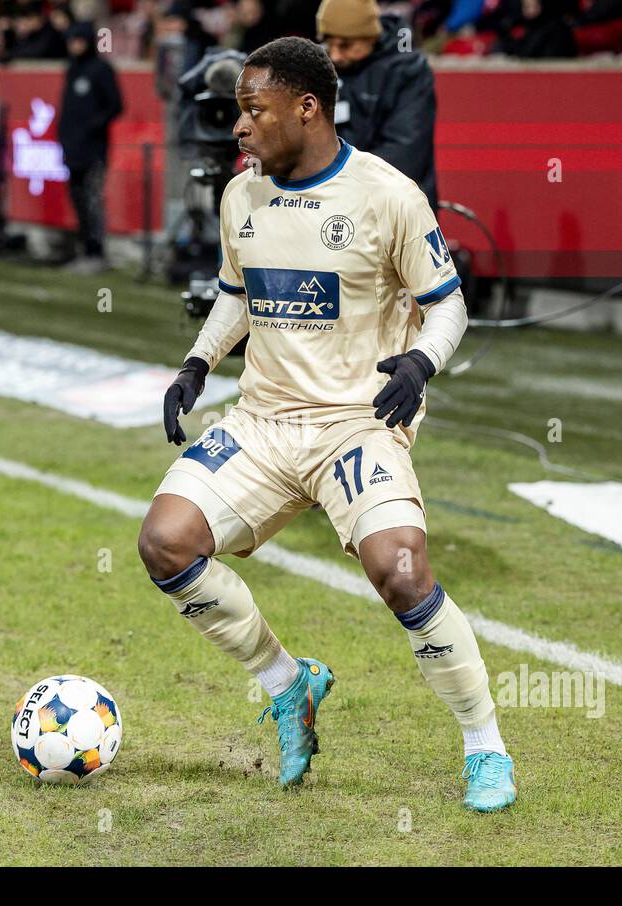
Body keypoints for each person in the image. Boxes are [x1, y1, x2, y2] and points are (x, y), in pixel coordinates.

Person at [137, 37, 515, 812]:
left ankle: (485, 747)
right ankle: (287, 684)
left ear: (306, 108)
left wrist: (420, 365)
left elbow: (448, 303)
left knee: (403, 572)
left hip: (357, 422)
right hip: (264, 421)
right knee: (166, 542)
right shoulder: (240, 195)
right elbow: (236, 293)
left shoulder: (387, 195)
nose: (239, 128)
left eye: (253, 111)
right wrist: (198, 363)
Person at [316, 0, 439, 211]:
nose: (335, 55)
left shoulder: (408, 71)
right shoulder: (320, 66)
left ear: (370, 36)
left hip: (396, 205)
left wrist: (333, 179)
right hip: (333, 201)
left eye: (345, 45)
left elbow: (404, 152)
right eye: (329, 44)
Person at [58, 20, 123, 273]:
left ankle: (96, 253)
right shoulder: (71, 69)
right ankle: (84, 248)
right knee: (77, 199)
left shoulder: (101, 69)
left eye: (79, 40)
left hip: (94, 150)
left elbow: (116, 105)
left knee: (92, 198)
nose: (75, 46)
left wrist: (91, 127)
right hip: (71, 149)